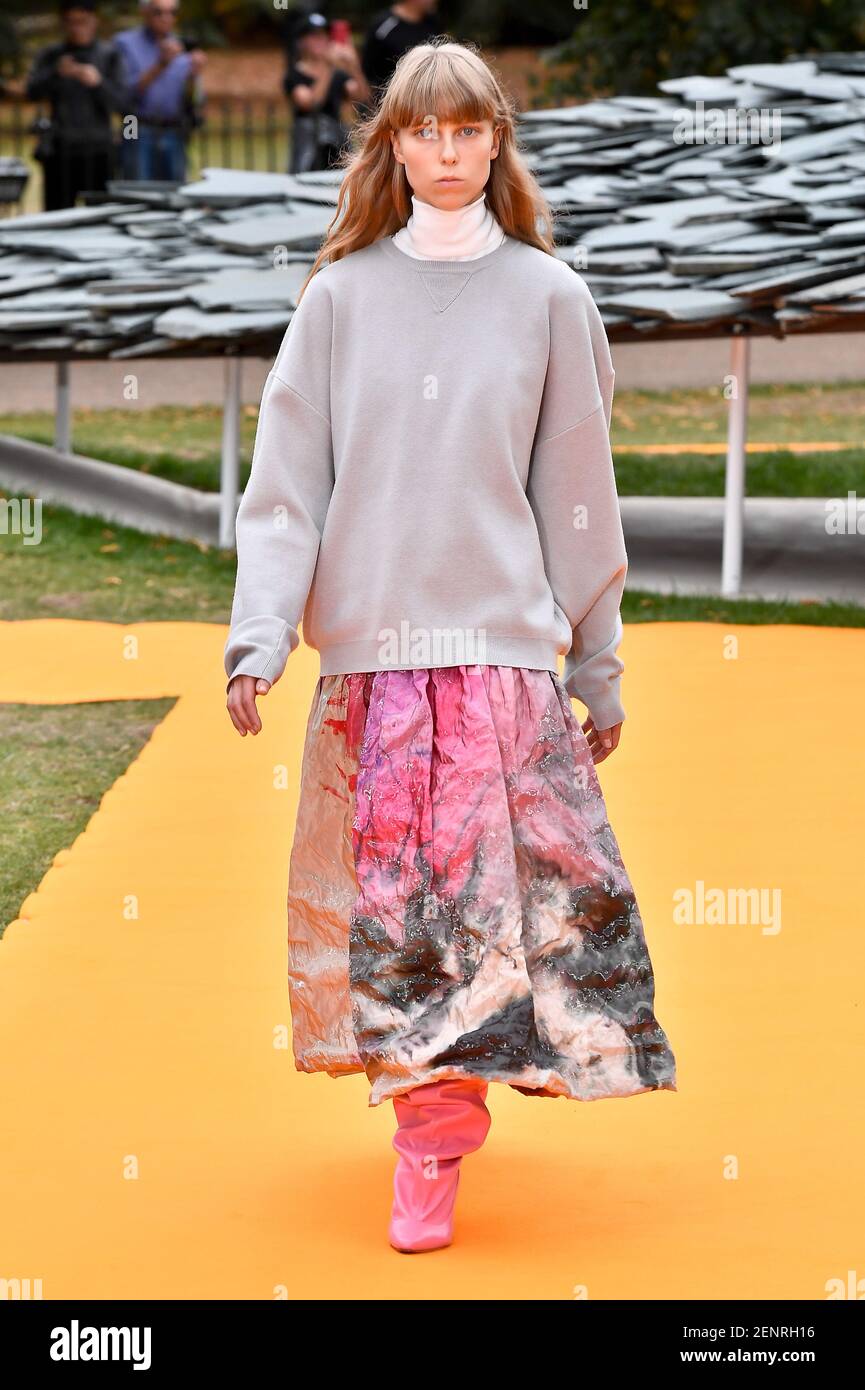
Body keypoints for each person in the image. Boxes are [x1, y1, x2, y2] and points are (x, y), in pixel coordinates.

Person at [223, 39, 678, 1254]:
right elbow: (287, 489)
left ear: (494, 141)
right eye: (421, 131)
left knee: (493, 912)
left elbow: (577, 501)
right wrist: (260, 633)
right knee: (404, 918)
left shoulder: (548, 297)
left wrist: (596, 663)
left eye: (466, 129)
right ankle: (430, 1133)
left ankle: (438, 1128)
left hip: (499, 664)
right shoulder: (339, 300)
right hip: (377, 670)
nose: (443, 152)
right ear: (392, 145)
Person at [25, 0, 127, 212]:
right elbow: (31, 92)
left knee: (100, 213)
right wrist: (56, 73)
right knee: (57, 214)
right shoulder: (51, 55)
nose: (77, 28)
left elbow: (126, 106)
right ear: (63, 23)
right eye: (71, 22)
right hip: (60, 149)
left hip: (99, 149)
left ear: (94, 21)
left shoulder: (109, 55)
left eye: (83, 21)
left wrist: (98, 83)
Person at [113, 0, 206, 183]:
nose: (166, 18)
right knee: (137, 186)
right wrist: (161, 64)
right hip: (134, 123)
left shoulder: (183, 46)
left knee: (174, 189)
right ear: (144, 12)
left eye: (172, 13)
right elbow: (125, 93)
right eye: (158, 12)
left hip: (173, 128)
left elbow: (194, 100)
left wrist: (193, 76)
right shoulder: (125, 43)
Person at [284, 11, 371, 174]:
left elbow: (361, 96)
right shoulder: (295, 75)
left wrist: (353, 64)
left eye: (324, 36)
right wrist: (328, 66)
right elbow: (311, 103)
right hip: (308, 148)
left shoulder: (338, 74)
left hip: (336, 143)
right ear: (302, 42)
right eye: (314, 36)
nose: (321, 41)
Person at [359, 0, 441, 115]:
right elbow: (365, 73)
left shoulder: (433, 24)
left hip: (428, 107)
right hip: (388, 109)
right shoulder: (384, 26)